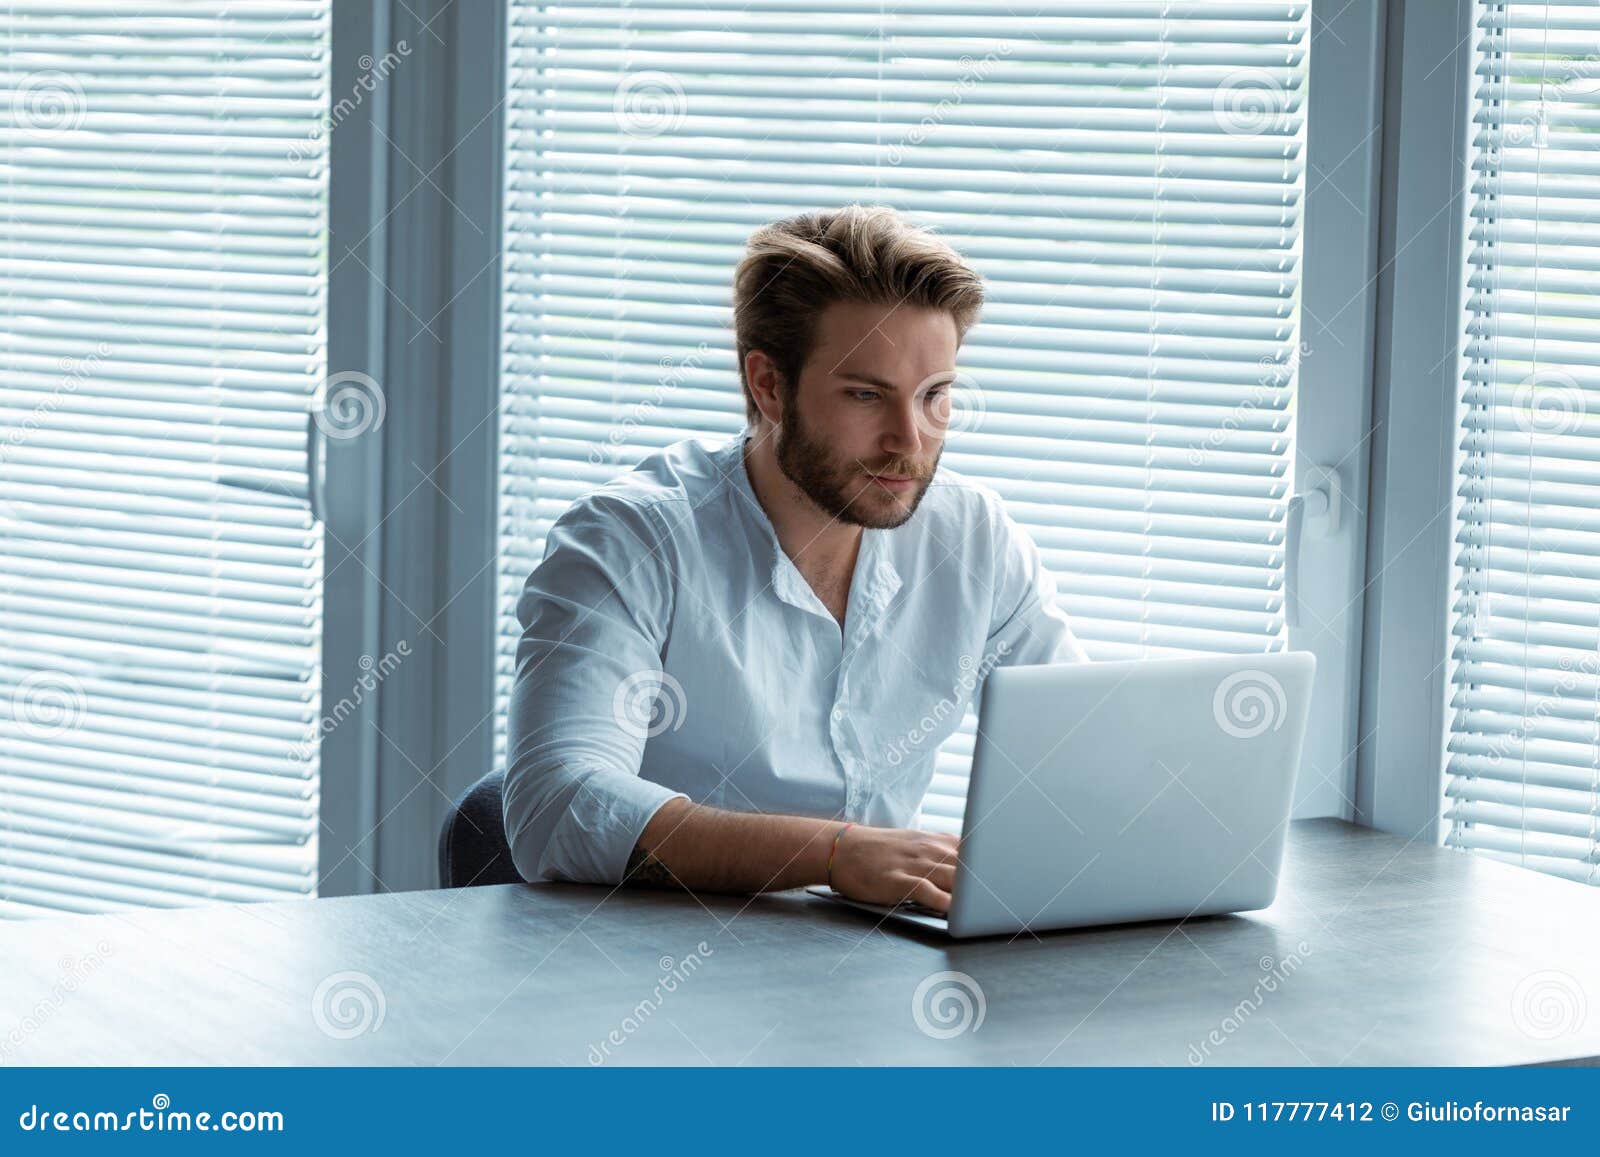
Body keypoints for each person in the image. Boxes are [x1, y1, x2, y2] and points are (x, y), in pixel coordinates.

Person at [503, 203, 1086, 913]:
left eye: (935, 397)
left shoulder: (973, 540)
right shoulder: (629, 541)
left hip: (872, 968)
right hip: (650, 969)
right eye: (867, 395)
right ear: (768, 385)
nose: (910, 439)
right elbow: (558, 808)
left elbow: (1083, 751)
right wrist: (835, 853)